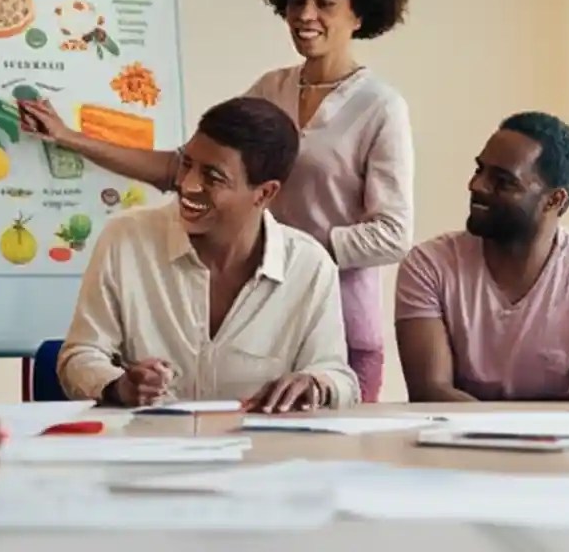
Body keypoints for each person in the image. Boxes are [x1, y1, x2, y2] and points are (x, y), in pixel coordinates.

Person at [24, 0, 413, 403]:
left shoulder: (380, 106)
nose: (305, 16)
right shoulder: (271, 89)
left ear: (358, 12)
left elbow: (393, 233)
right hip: (230, 281)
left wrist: (282, 252)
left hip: (334, 320)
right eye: (296, 1)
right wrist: (69, 138)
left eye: (325, 2)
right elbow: (191, 167)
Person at [57, 97, 360, 412]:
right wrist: (117, 385)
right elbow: (80, 355)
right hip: (148, 450)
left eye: (212, 177)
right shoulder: (125, 239)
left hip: (260, 453)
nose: (187, 185)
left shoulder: (309, 266)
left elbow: (340, 378)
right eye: (187, 164)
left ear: (265, 193)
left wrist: (316, 384)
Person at [394, 112, 569, 402]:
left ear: (554, 200)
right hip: (459, 445)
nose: (477, 186)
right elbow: (430, 392)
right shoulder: (429, 265)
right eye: (479, 170)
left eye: (503, 181)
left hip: (566, 445)